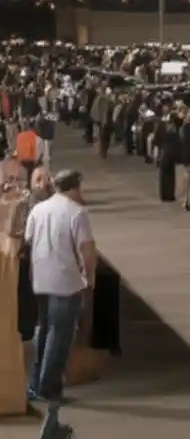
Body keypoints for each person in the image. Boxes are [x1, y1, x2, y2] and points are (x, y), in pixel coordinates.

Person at [24, 169, 97, 403]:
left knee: (44, 331)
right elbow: (87, 251)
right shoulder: (77, 213)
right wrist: (89, 279)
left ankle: (36, 385)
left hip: (40, 280)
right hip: (65, 283)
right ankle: (49, 388)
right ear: (75, 187)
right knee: (61, 336)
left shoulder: (38, 209)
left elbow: (29, 239)